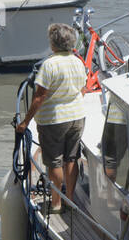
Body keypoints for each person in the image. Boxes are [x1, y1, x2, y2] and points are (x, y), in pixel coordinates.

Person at [15, 23, 87, 212]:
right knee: (72, 158)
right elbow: (83, 89)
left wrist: (25, 122)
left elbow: (39, 97)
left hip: (54, 120)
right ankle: (69, 199)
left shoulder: (49, 65)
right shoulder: (78, 62)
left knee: (55, 161)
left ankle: (56, 203)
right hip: (77, 117)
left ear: (53, 43)